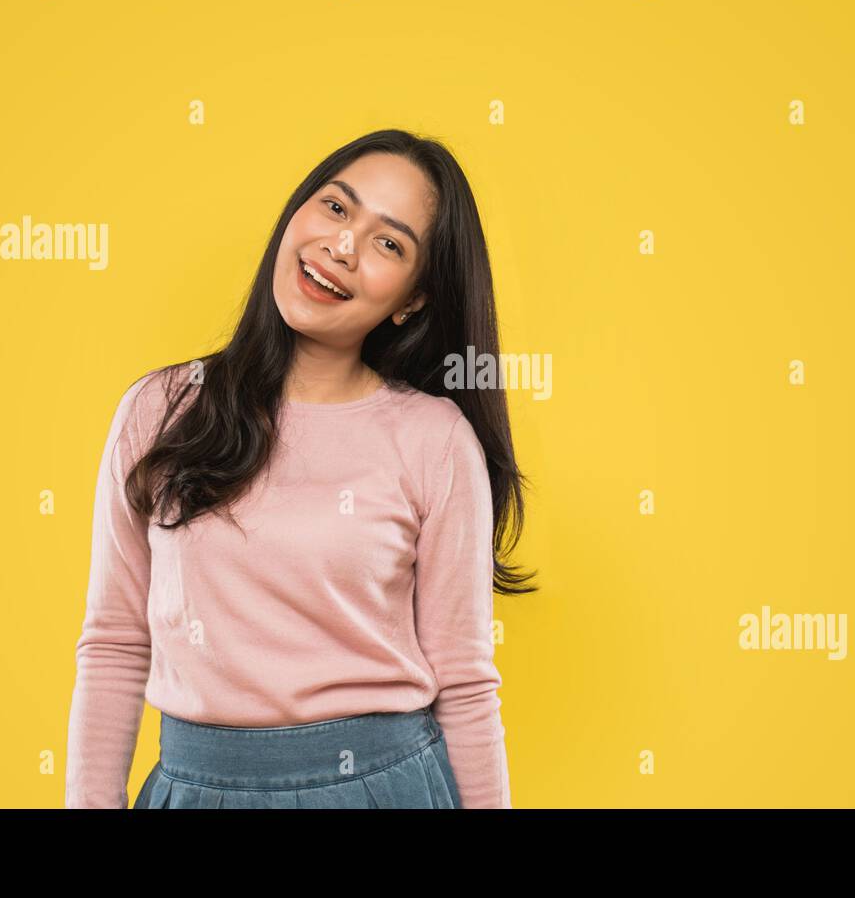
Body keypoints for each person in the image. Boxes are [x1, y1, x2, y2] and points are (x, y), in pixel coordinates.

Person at [64, 128, 537, 809]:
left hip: (381, 790)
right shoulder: (158, 412)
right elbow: (113, 643)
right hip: (195, 790)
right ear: (296, 213)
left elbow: (464, 683)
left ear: (412, 300)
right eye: (337, 208)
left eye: (389, 243)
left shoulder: (434, 441)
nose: (342, 246)